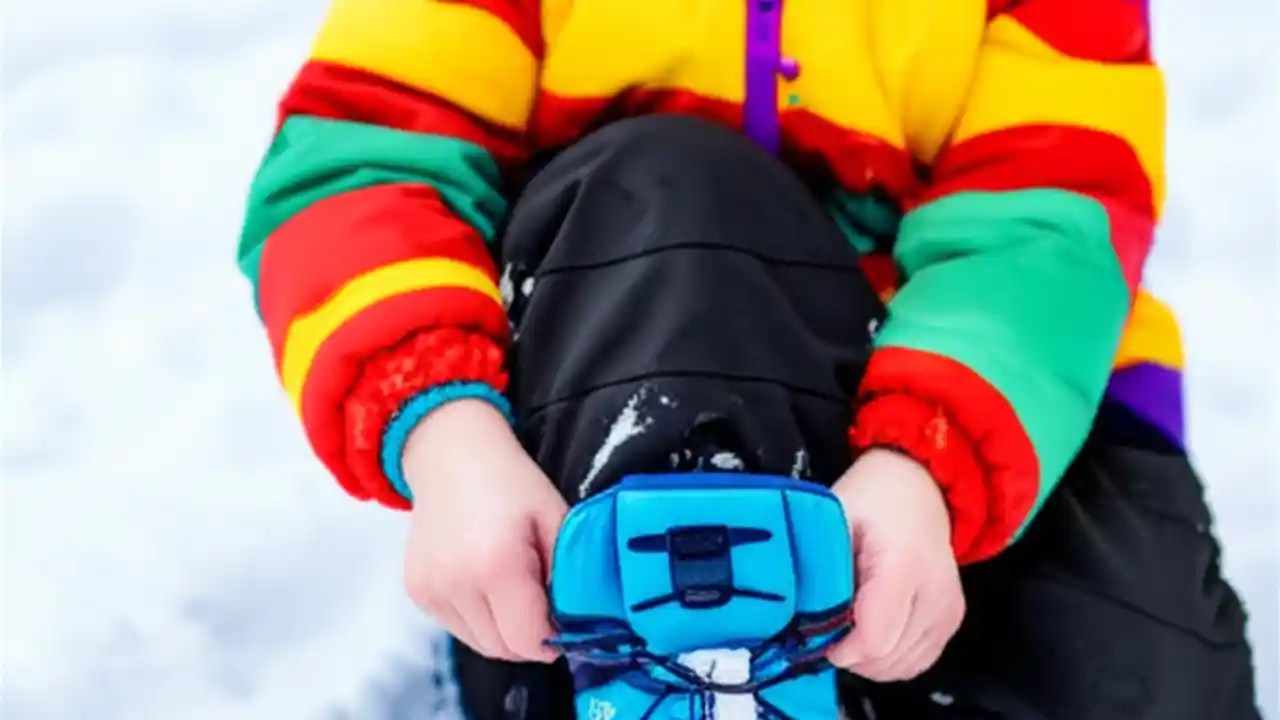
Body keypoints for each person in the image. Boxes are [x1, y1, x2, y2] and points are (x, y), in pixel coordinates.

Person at [236, 0, 1261, 717]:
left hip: (997, 406)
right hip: (624, 364)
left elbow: (1043, 222)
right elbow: (363, 163)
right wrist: (450, 440)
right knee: (668, 187)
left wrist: (927, 462)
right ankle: (636, 671)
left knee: (1149, 685)